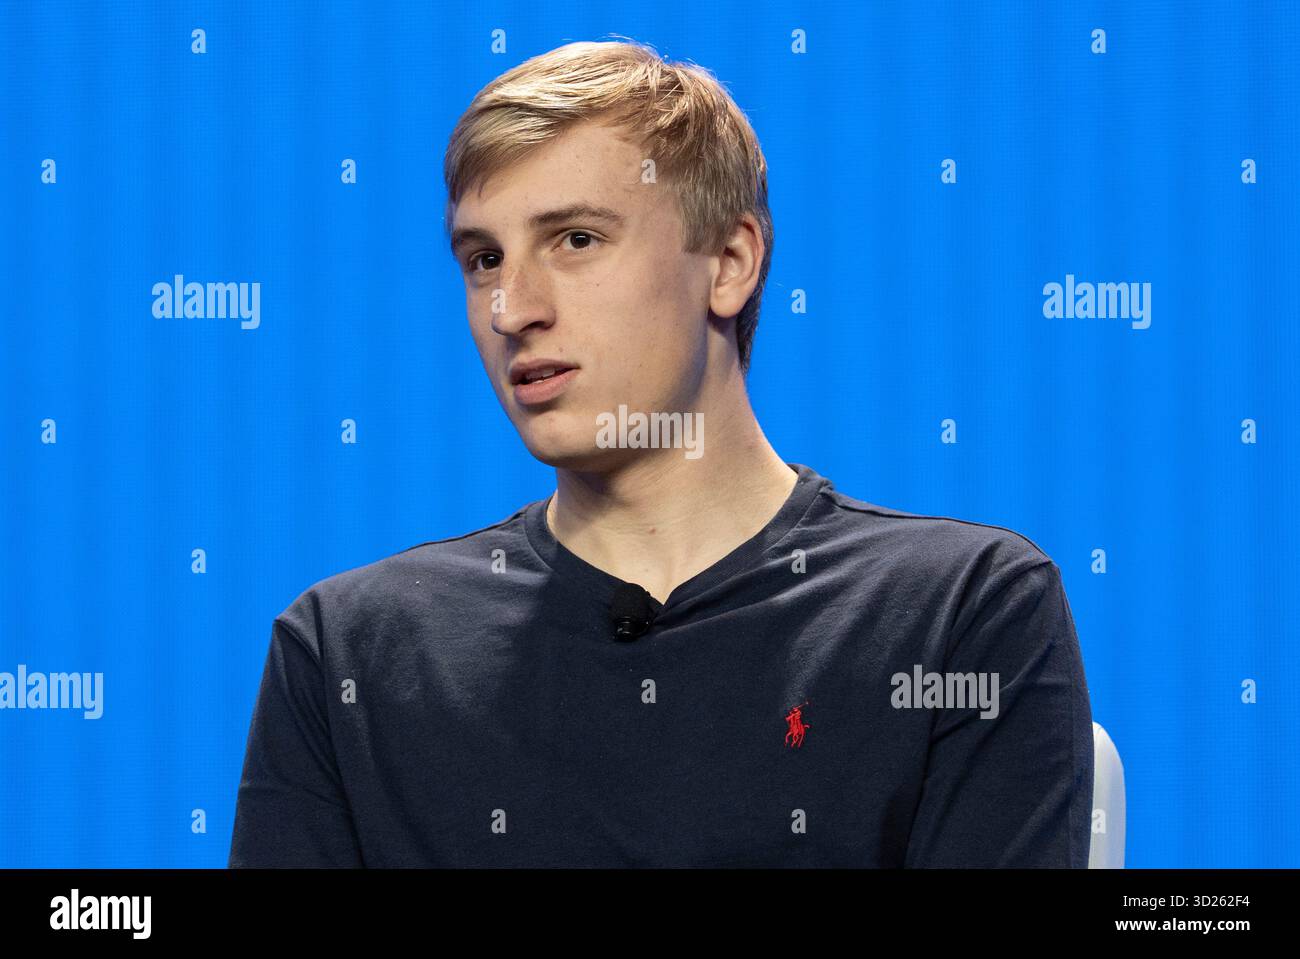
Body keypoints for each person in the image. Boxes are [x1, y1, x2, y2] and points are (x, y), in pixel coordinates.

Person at [228, 37, 1094, 868]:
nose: (511, 309)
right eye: (484, 258)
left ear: (729, 262)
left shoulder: (960, 615)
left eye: (575, 240)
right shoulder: (347, 653)